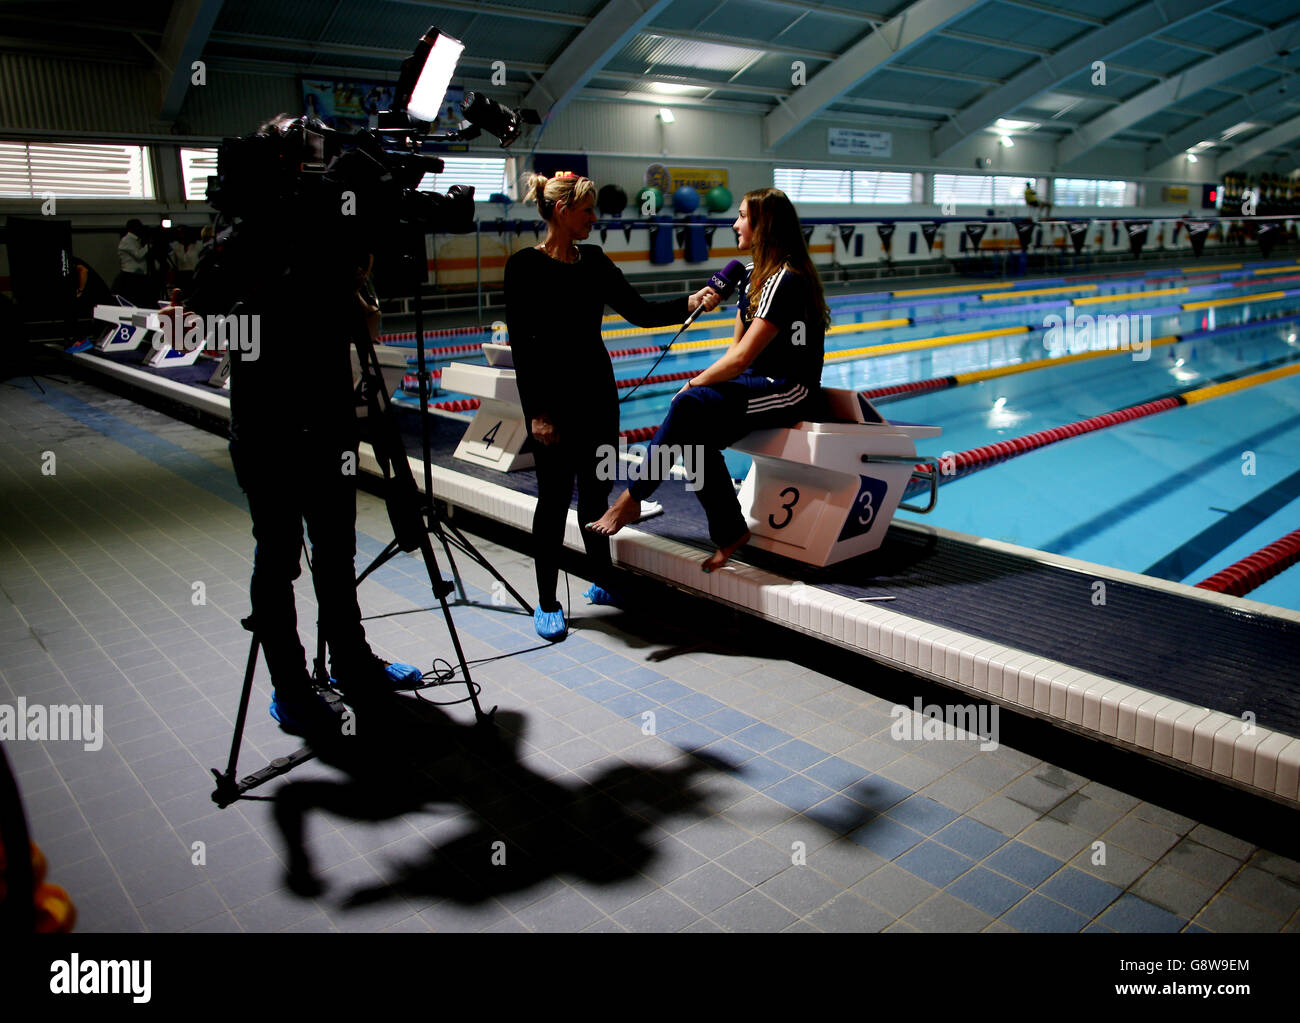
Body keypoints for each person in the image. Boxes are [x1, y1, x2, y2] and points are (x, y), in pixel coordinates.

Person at [173, 115, 422, 737]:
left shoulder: (321, 232)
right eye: (294, 161)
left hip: (328, 420)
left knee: (336, 555)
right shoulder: (237, 237)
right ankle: (289, 688)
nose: (304, 173)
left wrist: (347, 274)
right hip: (268, 429)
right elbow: (204, 313)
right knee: (278, 560)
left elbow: (365, 311)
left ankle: (352, 664)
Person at [505, 171, 720, 640]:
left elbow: (640, 311)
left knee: (597, 495)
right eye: (586, 211)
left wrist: (691, 301)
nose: (594, 219)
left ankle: (601, 581)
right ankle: (546, 601)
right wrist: (537, 413)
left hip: (598, 398)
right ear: (562, 212)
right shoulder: (524, 266)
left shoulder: (595, 261)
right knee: (553, 499)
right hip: (553, 406)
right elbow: (523, 346)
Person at [588, 187, 829, 573]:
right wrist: (704, 384)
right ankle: (730, 531)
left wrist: (696, 383)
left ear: (764, 225)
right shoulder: (751, 276)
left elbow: (743, 356)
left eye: (742, 217)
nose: (734, 224)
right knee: (692, 433)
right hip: (756, 382)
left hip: (789, 389)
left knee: (688, 404)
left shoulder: (787, 279)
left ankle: (632, 498)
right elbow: (735, 353)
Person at [112, 219, 153, 307]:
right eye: (139, 226)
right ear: (133, 228)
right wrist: (148, 245)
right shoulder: (126, 240)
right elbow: (138, 255)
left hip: (138, 276)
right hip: (130, 276)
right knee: (133, 299)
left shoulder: (137, 240)